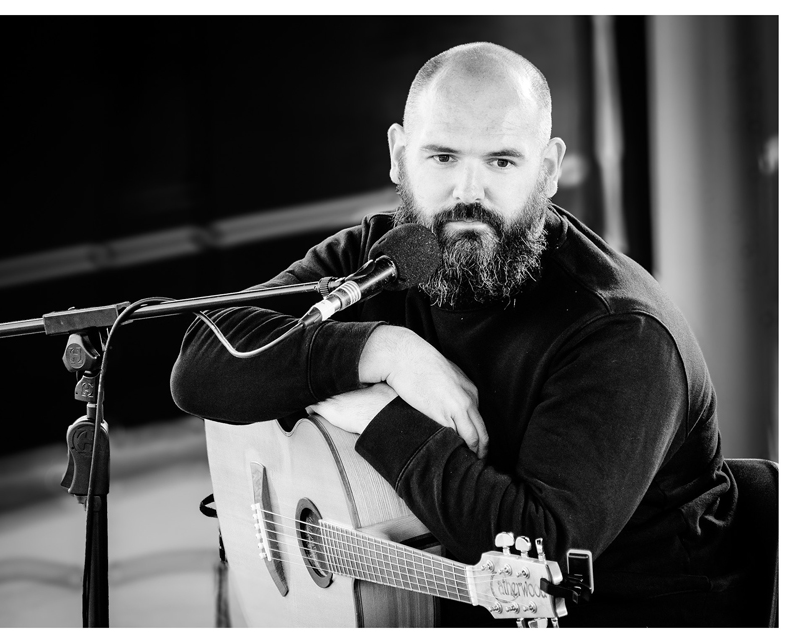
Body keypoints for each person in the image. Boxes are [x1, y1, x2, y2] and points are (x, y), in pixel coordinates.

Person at [170, 42, 740, 627]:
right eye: (442, 158)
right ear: (398, 155)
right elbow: (202, 360)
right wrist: (381, 351)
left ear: (546, 170)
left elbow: (541, 549)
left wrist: (380, 417)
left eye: (501, 162)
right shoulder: (382, 258)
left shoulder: (619, 333)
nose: (469, 192)